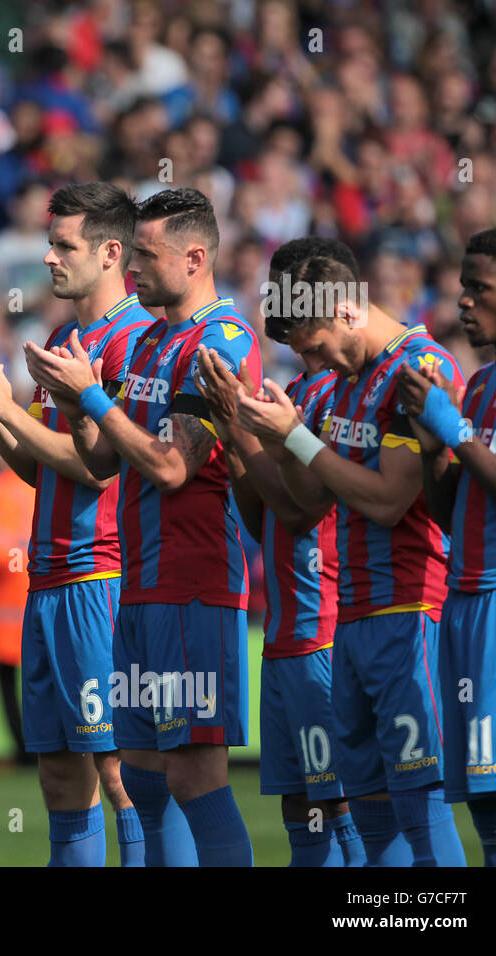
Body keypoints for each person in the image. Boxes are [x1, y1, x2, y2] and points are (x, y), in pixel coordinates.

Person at [25, 188, 258, 866]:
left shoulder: (222, 340)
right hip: (141, 586)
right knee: (145, 773)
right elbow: (101, 457)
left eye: (148, 256)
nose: (135, 270)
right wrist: (75, 404)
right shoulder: (152, 342)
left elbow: (171, 468)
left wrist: (93, 395)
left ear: (194, 258)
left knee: (193, 776)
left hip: (193, 585)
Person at [234, 239, 467, 866]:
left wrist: (297, 440)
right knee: (371, 808)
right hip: (354, 619)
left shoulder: (418, 370)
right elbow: (310, 500)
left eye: (313, 346)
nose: (313, 361)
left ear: (345, 312)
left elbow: (392, 501)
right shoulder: (347, 382)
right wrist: (272, 442)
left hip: (410, 609)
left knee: (419, 801)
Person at [0, 182, 150, 866]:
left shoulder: (137, 339)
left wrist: (6, 407)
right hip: (49, 579)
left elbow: (98, 469)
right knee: (60, 772)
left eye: (64, 246)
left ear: (111, 252)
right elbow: (42, 472)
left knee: (117, 768)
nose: (50, 259)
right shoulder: (63, 338)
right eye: (49, 243)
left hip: (102, 575)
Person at [193, 237, 366, 866]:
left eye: (290, 302)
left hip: (326, 629)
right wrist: (237, 445)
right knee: (303, 811)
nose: (286, 327)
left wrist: (243, 428)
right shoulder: (299, 391)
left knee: (340, 807)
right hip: (287, 637)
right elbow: (263, 518)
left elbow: (301, 511)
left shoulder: (350, 397)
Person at [397, 226, 496, 865]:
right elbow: (449, 512)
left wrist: (456, 431)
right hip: (464, 605)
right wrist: (430, 443)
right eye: (461, 287)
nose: (463, 300)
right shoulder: (477, 386)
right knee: (488, 809)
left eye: (480, 288)